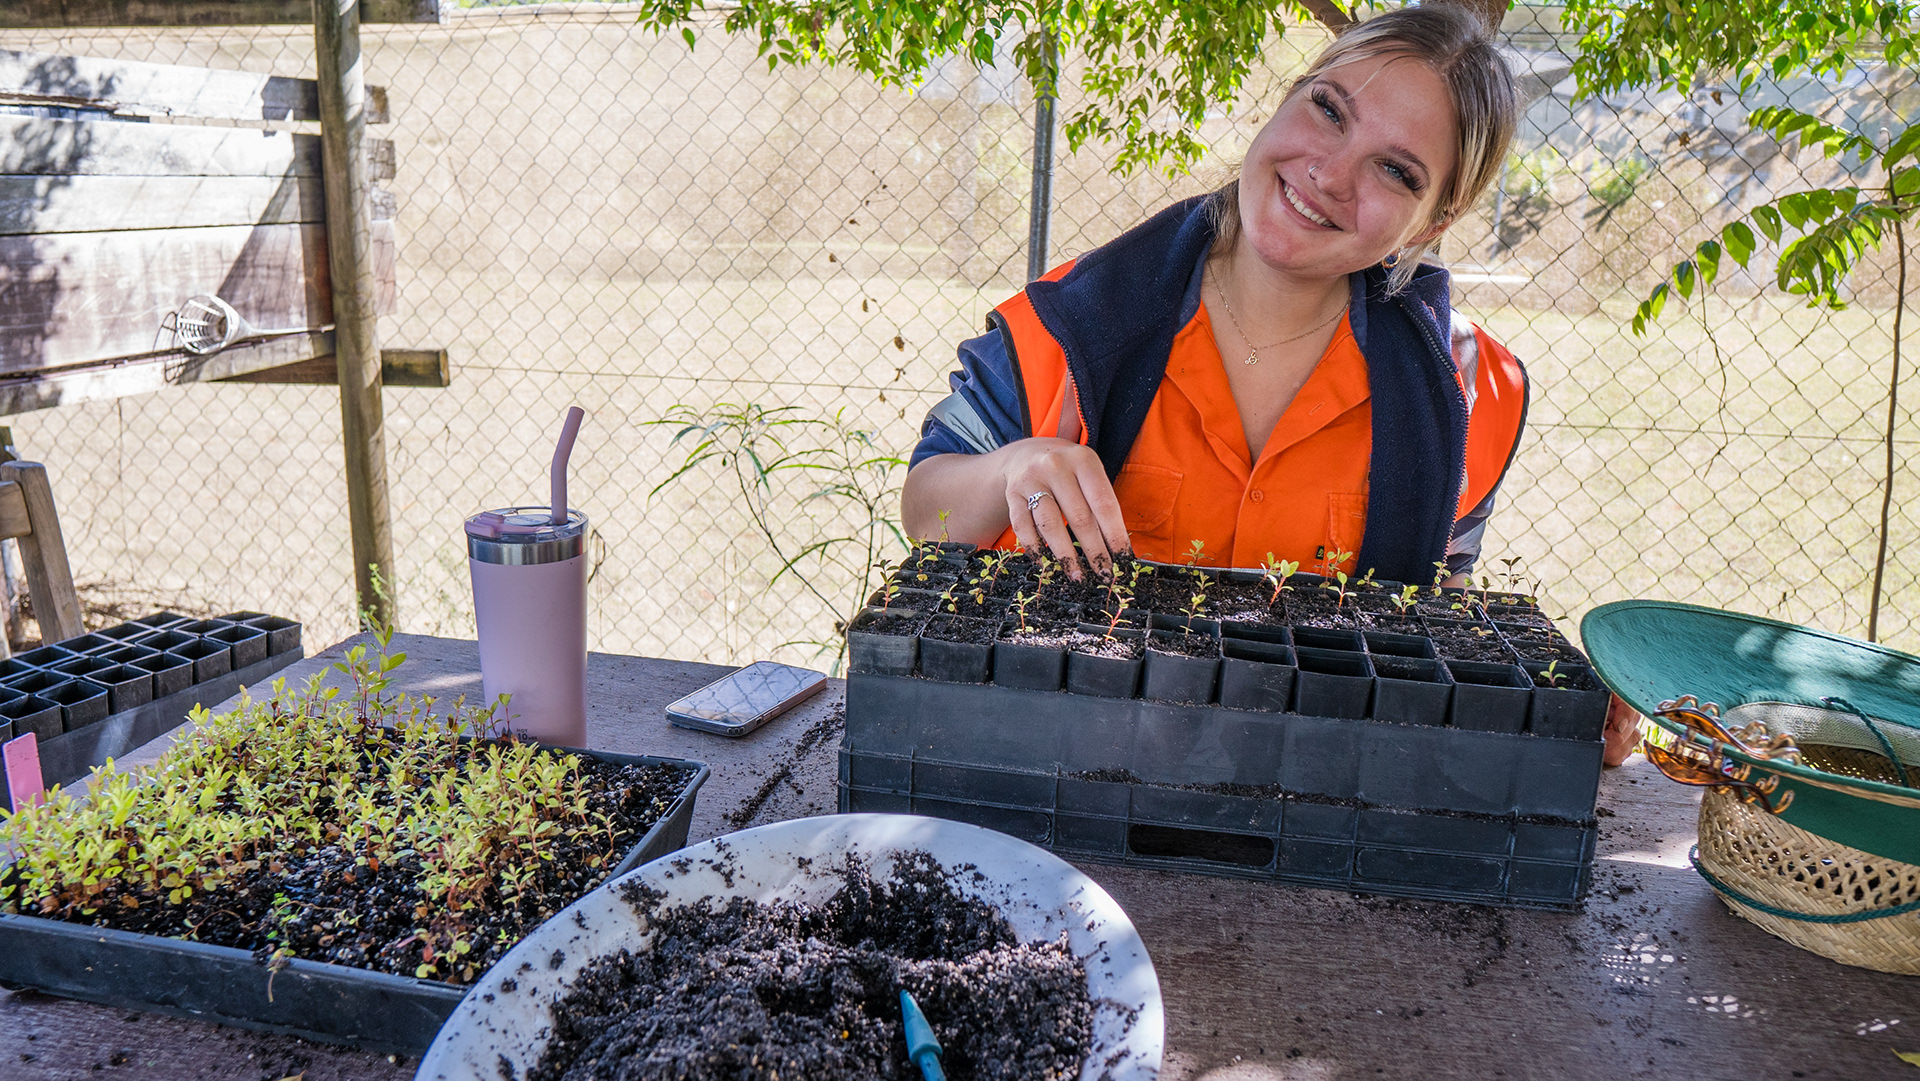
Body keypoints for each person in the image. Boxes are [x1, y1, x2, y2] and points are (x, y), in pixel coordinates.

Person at [902, 5, 1642, 765]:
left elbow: (1432, 617)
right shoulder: (1073, 322)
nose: (1328, 173)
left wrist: (1555, 699)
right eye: (1328, 110)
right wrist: (1012, 467)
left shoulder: (1470, 389)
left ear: (1432, 221)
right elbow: (928, 514)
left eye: (1396, 170)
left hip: (1304, 805)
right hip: (1048, 765)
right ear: (1290, 96)